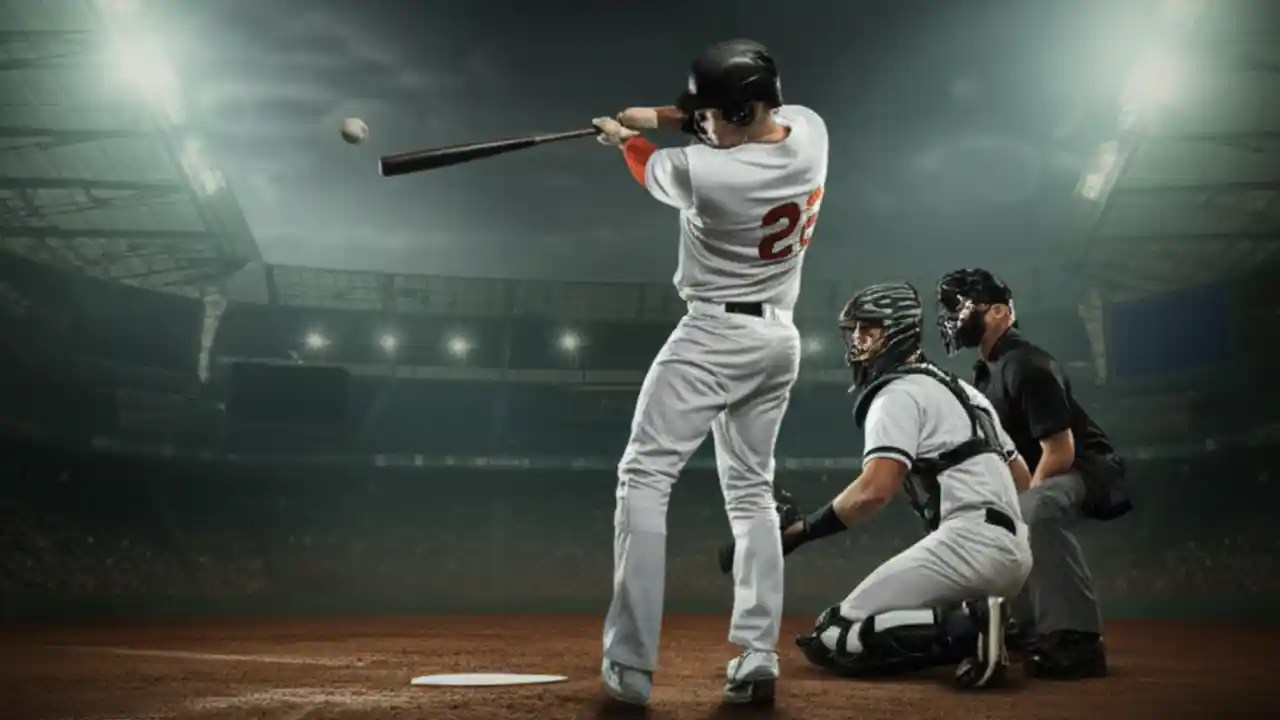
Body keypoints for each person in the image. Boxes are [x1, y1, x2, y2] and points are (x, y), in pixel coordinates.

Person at [590, 38, 828, 706]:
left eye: (712, 115)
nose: (703, 124)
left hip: (714, 334)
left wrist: (622, 137)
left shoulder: (700, 173)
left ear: (745, 111)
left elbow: (648, 169)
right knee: (752, 495)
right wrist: (657, 114)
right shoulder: (810, 129)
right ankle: (756, 654)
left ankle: (630, 662)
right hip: (779, 339)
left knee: (643, 475)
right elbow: (710, 121)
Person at [783, 282, 1034, 688]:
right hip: (1014, 552)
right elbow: (1022, 480)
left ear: (898, 330)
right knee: (872, 622)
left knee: (834, 635)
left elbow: (874, 491)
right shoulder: (968, 393)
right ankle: (988, 623)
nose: (859, 340)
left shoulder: (897, 393)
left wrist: (803, 531)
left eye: (870, 329)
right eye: (857, 330)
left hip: (968, 542)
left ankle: (972, 627)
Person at [936, 268, 1132, 679]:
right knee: (991, 523)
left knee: (1032, 512)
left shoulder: (1026, 364)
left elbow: (1060, 450)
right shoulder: (984, 373)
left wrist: (1017, 507)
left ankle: (1076, 640)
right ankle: (1026, 629)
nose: (954, 317)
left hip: (1085, 468)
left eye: (964, 307)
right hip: (1040, 472)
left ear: (1000, 314)